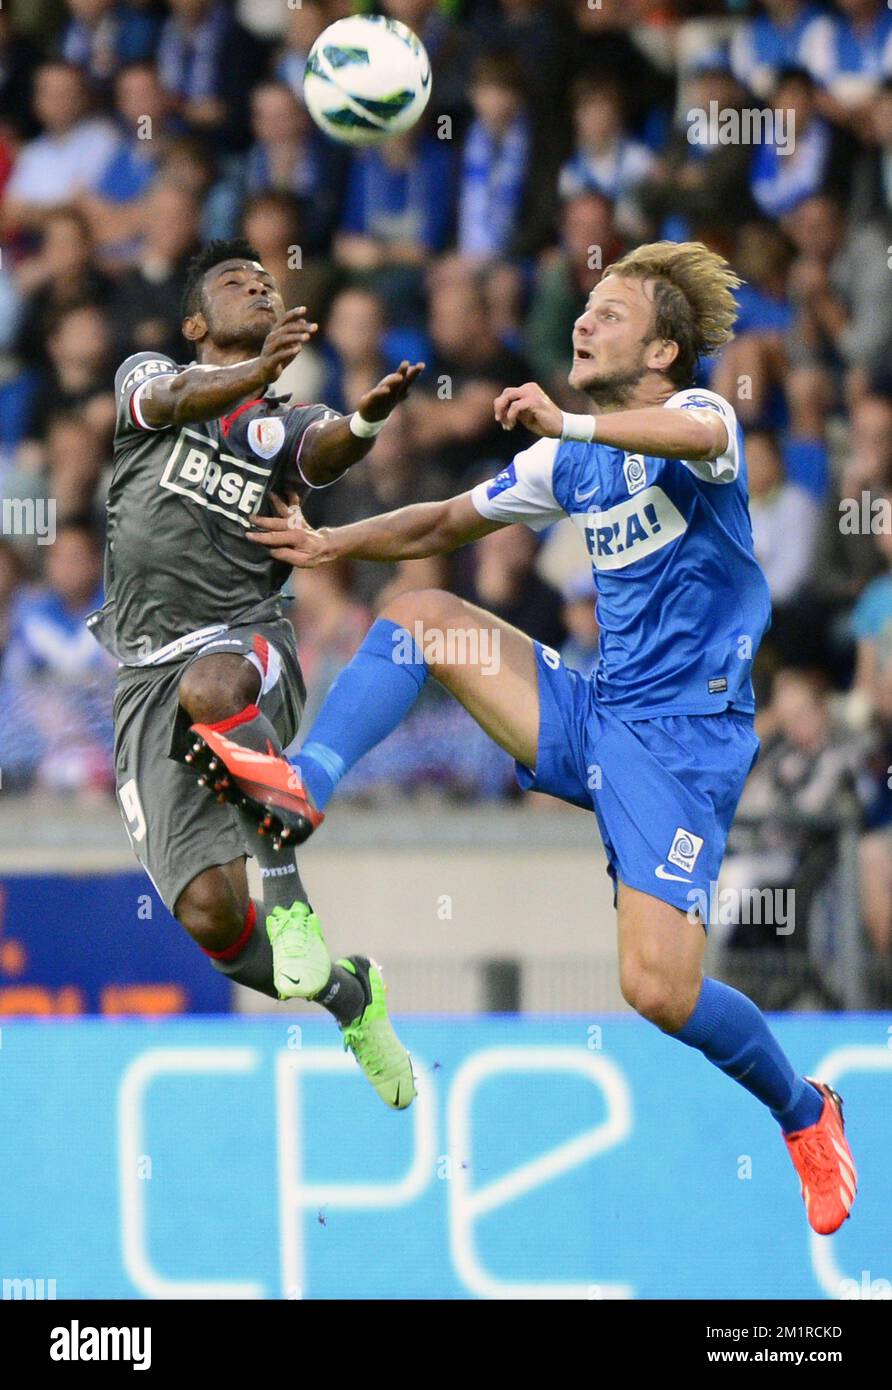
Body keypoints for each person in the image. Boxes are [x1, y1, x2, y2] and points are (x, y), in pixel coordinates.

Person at [217, 239, 858, 1236]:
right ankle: (303, 783)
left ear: (662, 352)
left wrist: (567, 416)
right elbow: (442, 520)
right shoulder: (571, 458)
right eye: (584, 305)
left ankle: (806, 1111)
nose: (583, 320)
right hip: (596, 710)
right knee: (422, 610)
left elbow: (688, 439)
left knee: (656, 989)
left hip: (683, 752)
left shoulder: (703, 420)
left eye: (609, 313)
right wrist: (333, 541)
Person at [90, 235, 423, 1109]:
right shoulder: (148, 377)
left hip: (247, 642)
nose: (259, 287)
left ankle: (290, 895)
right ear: (197, 320)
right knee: (205, 914)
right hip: (140, 674)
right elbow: (170, 395)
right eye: (238, 282)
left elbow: (323, 452)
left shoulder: (280, 422)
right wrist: (251, 375)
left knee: (213, 691)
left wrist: (366, 423)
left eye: (269, 282)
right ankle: (351, 997)